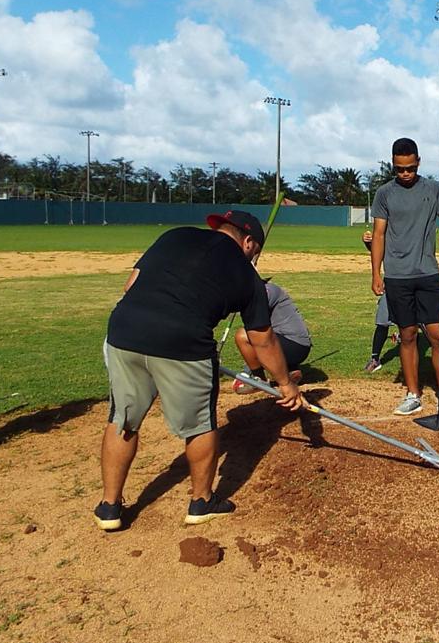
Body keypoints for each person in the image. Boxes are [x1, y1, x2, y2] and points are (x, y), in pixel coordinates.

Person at [96, 209, 302, 531]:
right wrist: (285, 384)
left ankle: (109, 506)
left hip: (124, 333)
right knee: (200, 425)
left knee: (123, 418)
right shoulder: (245, 273)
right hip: (183, 344)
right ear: (248, 242)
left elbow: (130, 285)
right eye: (256, 252)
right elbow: (263, 339)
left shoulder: (174, 235)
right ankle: (202, 501)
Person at [370, 137, 439, 419]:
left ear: (418, 162)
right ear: (393, 165)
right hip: (397, 277)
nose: (404, 174)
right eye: (399, 169)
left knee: (438, 336)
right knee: (407, 335)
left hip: (428, 273)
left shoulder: (433, 189)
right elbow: (378, 235)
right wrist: (376, 273)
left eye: (409, 168)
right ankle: (413, 395)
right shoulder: (384, 194)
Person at [231, 280, 311, 391]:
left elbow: (256, 328)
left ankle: (258, 379)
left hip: (295, 345)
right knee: (259, 334)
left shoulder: (268, 291)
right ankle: (290, 370)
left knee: (242, 335)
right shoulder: (262, 291)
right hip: (292, 344)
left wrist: (246, 371)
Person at [361, 229, 397, 373]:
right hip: (391, 283)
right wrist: (369, 243)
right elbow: (380, 249)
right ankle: (375, 359)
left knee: (412, 324)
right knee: (382, 322)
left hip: (410, 280)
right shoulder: (386, 227)